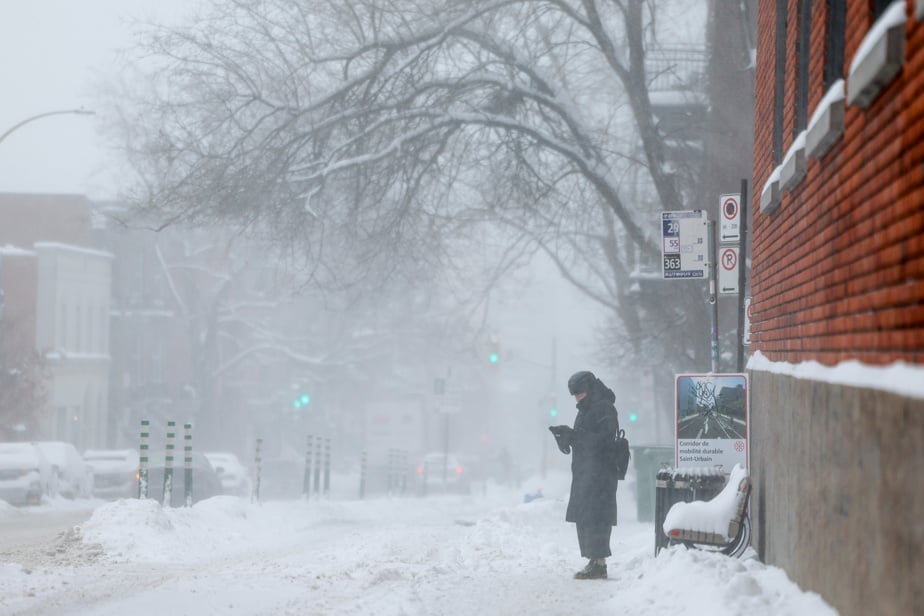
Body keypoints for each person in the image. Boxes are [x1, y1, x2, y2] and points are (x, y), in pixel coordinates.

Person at [550, 370, 620, 580]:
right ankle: (593, 560)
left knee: (597, 516)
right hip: (586, 471)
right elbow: (584, 439)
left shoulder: (604, 408)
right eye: (575, 394)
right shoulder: (586, 409)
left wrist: (574, 436)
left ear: (589, 389)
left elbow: (604, 440)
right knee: (585, 516)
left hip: (601, 473)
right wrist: (567, 437)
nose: (577, 398)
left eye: (579, 393)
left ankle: (599, 563)